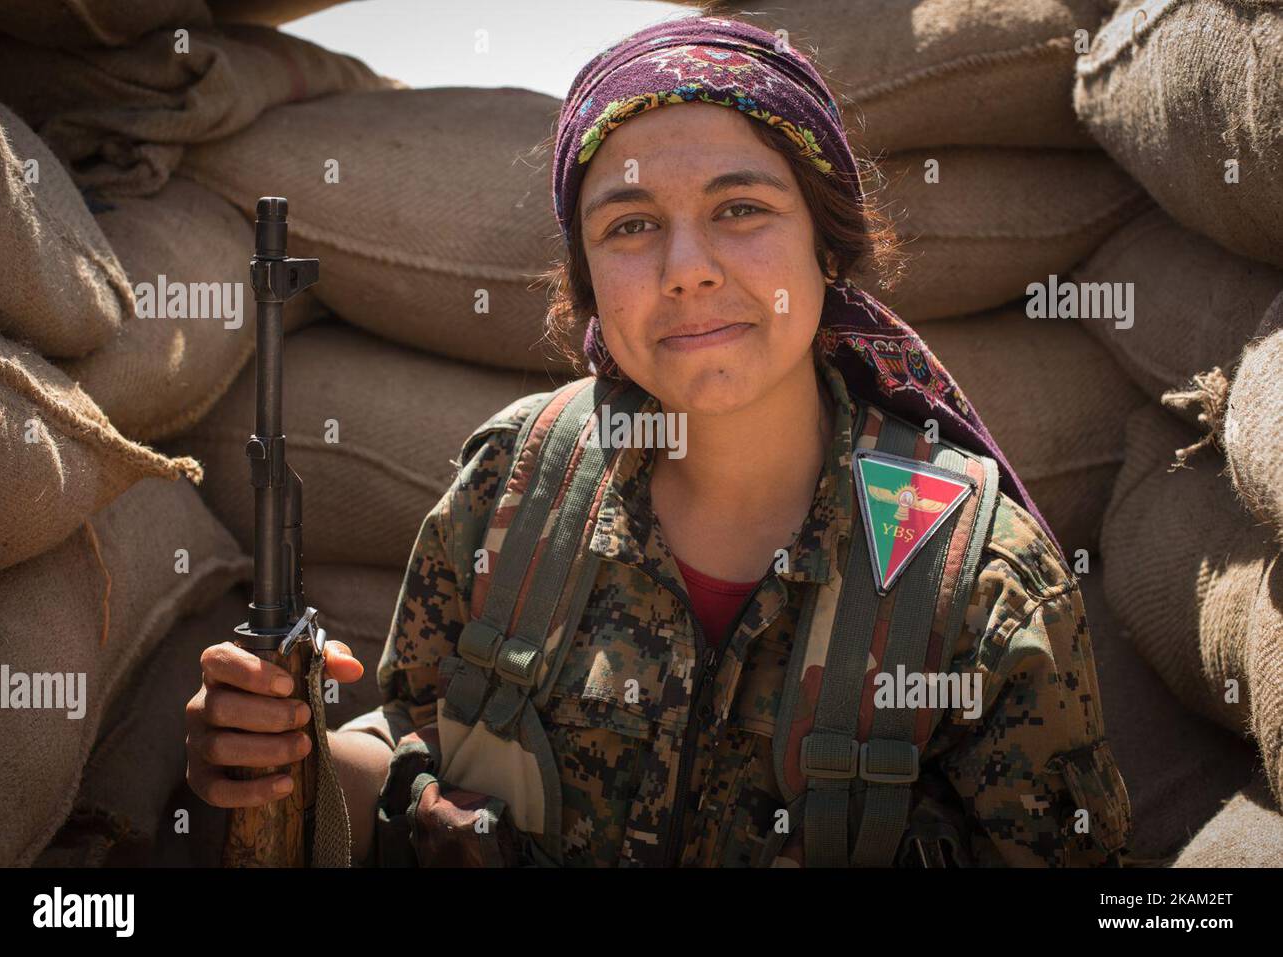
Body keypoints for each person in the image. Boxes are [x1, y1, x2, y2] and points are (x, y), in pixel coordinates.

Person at [186, 12, 1132, 868]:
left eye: (741, 210)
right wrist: (284, 756)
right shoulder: (514, 485)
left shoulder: (977, 575)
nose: (687, 270)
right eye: (632, 226)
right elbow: (413, 744)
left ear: (829, 247)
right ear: (589, 279)